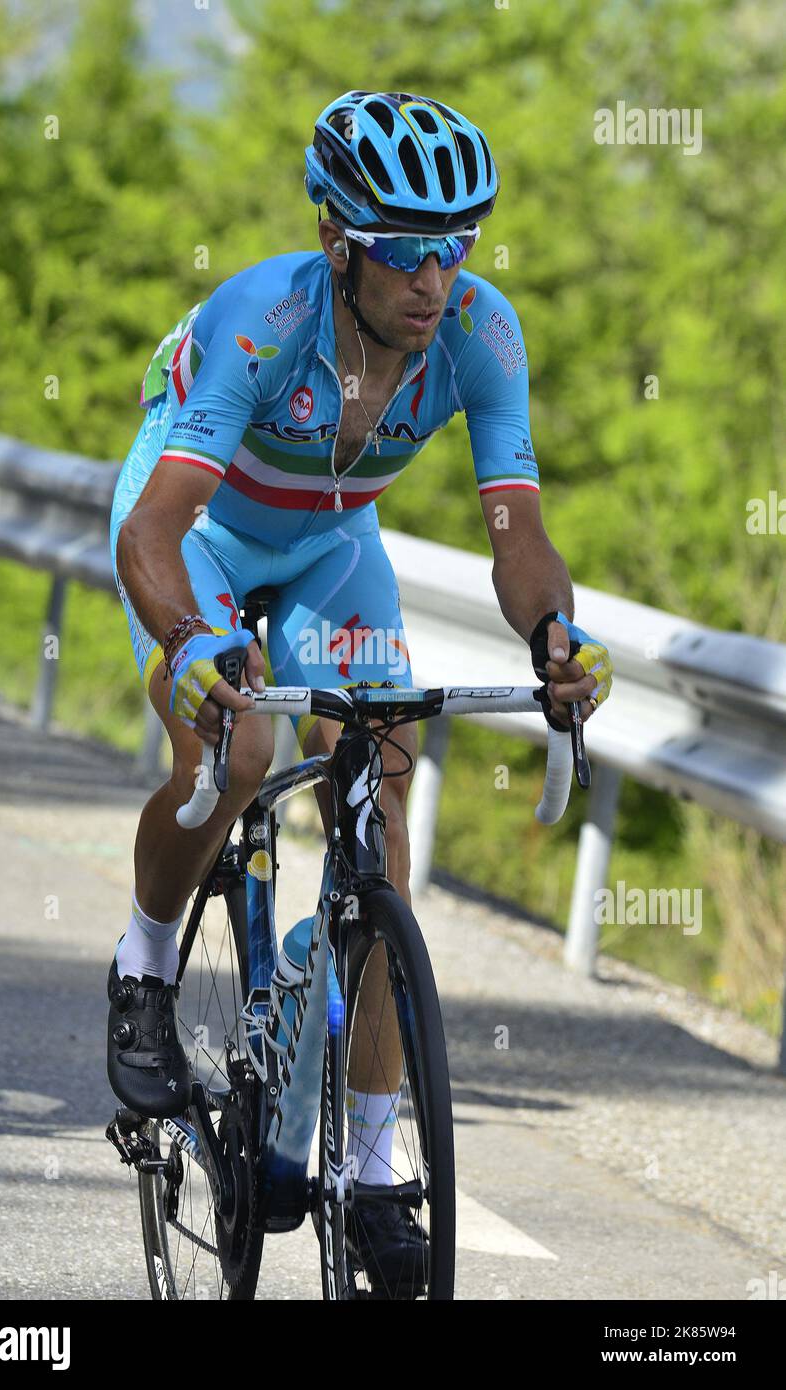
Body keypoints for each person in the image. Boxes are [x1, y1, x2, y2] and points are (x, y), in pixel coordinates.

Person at [106, 90, 613, 1282]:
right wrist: (191, 645)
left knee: (378, 807)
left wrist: (553, 631)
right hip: (205, 541)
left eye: (457, 247)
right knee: (230, 756)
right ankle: (140, 968)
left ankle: (375, 1169)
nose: (435, 280)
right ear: (340, 242)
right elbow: (154, 533)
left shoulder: (482, 337)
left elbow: (517, 534)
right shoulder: (263, 318)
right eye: (405, 253)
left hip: (335, 546)